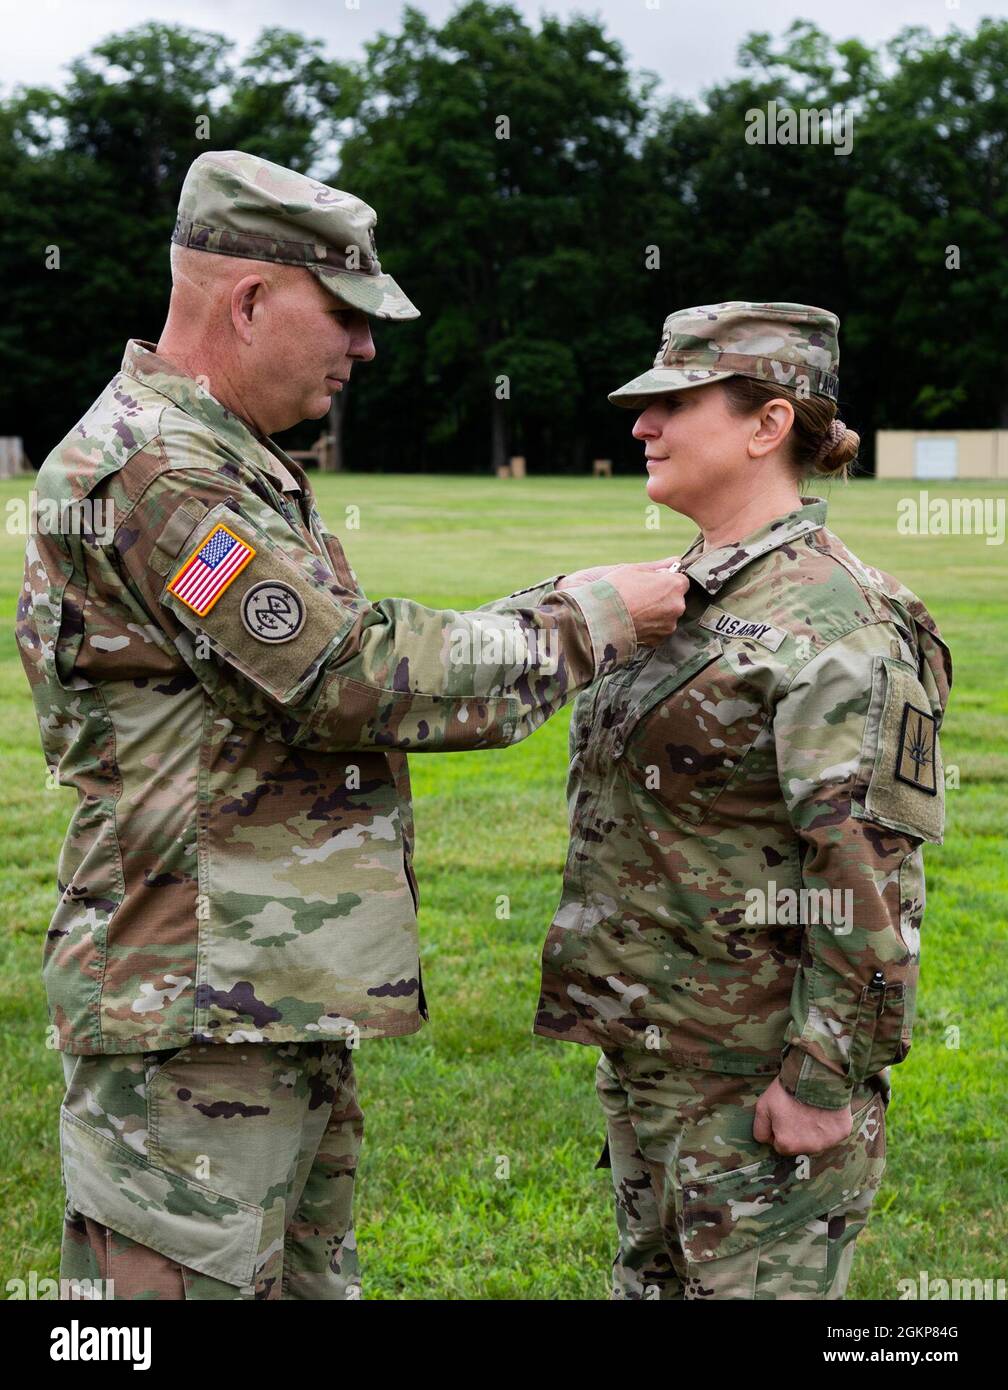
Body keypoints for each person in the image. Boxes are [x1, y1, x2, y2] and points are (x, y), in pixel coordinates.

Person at [15, 149, 688, 1301]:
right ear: (251, 299)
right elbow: (348, 672)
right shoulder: (155, 470)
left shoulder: (229, 457)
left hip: (258, 990)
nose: (367, 347)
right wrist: (585, 616)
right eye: (348, 314)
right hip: (191, 1009)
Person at [533, 301, 952, 1300]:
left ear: (770, 424)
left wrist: (821, 1080)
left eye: (675, 402)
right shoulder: (679, 594)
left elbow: (870, 882)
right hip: (659, 1068)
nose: (643, 425)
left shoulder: (841, 621)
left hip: (759, 1092)